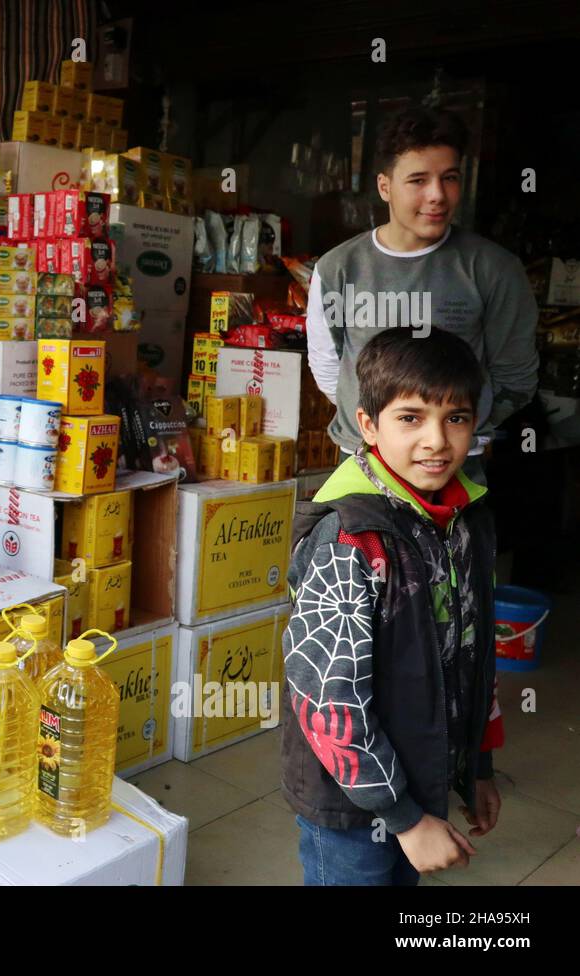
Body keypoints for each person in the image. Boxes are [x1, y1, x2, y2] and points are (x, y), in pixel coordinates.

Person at [281, 327, 502, 885]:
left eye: (456, 417)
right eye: (410, 417)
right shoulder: (350, 539)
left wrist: (474, 767)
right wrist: (403, 817)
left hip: (422, 784)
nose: (436, 440)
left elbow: (472, 654)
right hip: (354, 809)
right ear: (368, 425)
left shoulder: (465, 520)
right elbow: (327, 699)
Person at [306, 105, 539, 481]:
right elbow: (329, 367)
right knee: (357, 543)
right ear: (385, 186)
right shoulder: (338, 267)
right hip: (362, 465)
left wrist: (453, 430)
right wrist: (391, 431)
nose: (437, 195)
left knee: (453, 543)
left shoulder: (493, 269)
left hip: (455, 469)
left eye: (449, 178)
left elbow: (516, 377)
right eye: (418, 180)